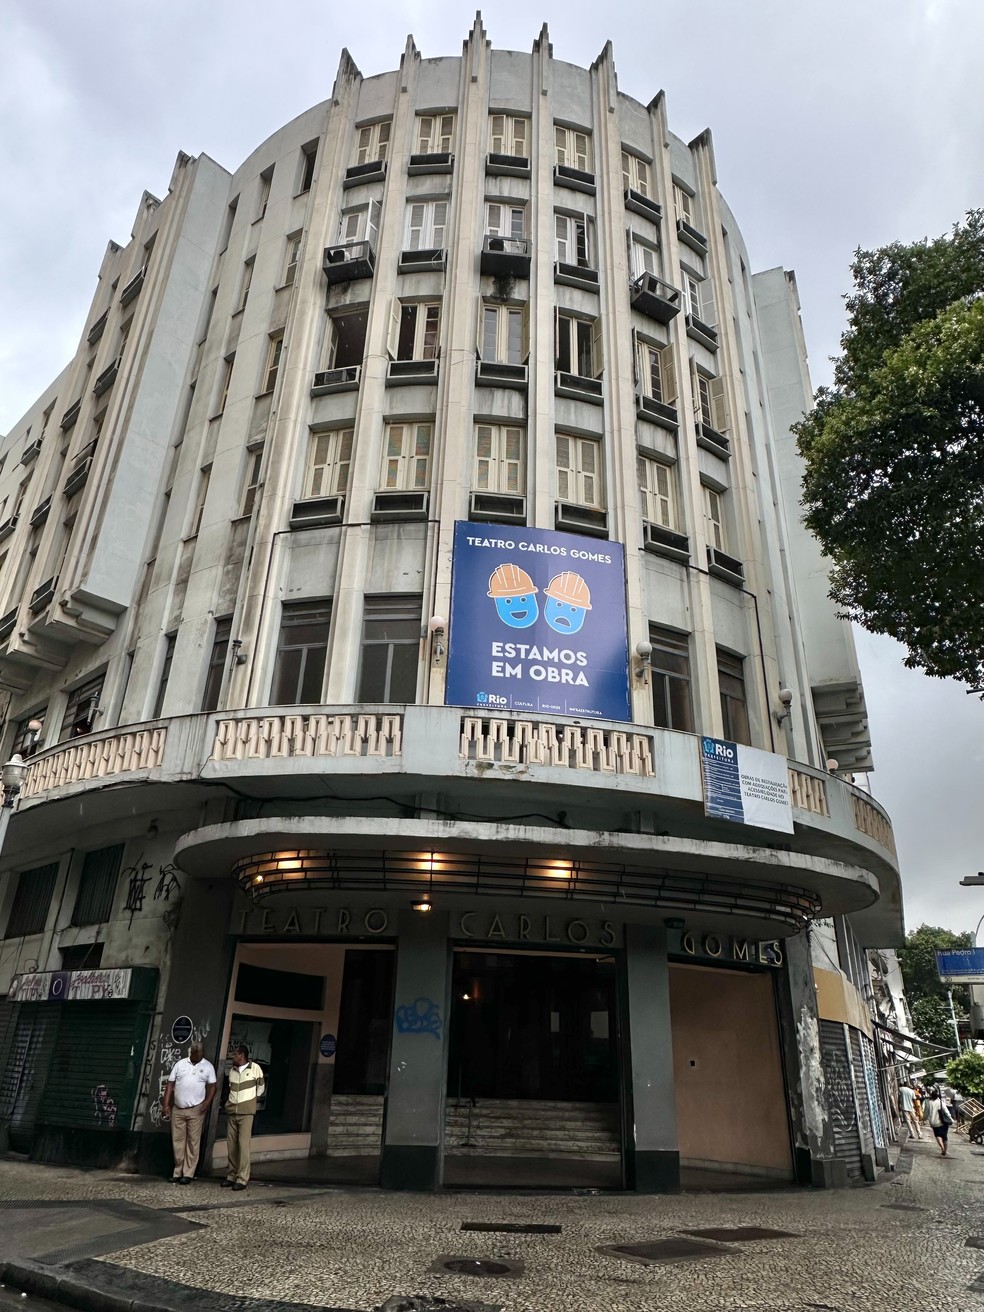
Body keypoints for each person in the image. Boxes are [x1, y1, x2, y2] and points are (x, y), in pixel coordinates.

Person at [162, 1041, 217, 1183]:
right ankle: (177, 1171)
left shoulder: (208, 1066)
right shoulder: (180, 1064)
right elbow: (170, 1084)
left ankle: (188, 1173)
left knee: (193, 1141)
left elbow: (212, 1086)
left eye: (201, 1053)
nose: (199, 1056)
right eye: (196, 1053)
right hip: (178, 1109)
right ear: (191, 1052)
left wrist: (207, 1102)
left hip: (196, 1109)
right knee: (178, 1141)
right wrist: (165, 1104)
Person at [223, 1044, 266, 1191]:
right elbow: (230, 1088)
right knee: (231, 1145)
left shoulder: (255, 1068)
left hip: (246, 1113)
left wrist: (251, 1100)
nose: (232, 1057)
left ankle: (242, 1177)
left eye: (235, 1054)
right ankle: (231, 1174)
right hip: (232, 1111)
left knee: (243, 1145)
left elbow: (261, 1087)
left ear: (241, 1055)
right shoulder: (232, 1071)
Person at [924, 1085, 954, 1157]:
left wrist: (924, 1118)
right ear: (937, 1096)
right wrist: (951, 1119)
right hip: (942, 1122)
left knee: (937, 1135)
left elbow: (926, 1112)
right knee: (945, 1137)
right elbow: (946, 1112)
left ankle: (942, 1148)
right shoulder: (940, 1102)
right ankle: (945, 1151)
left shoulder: (928, 1103)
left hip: (933, 1122)